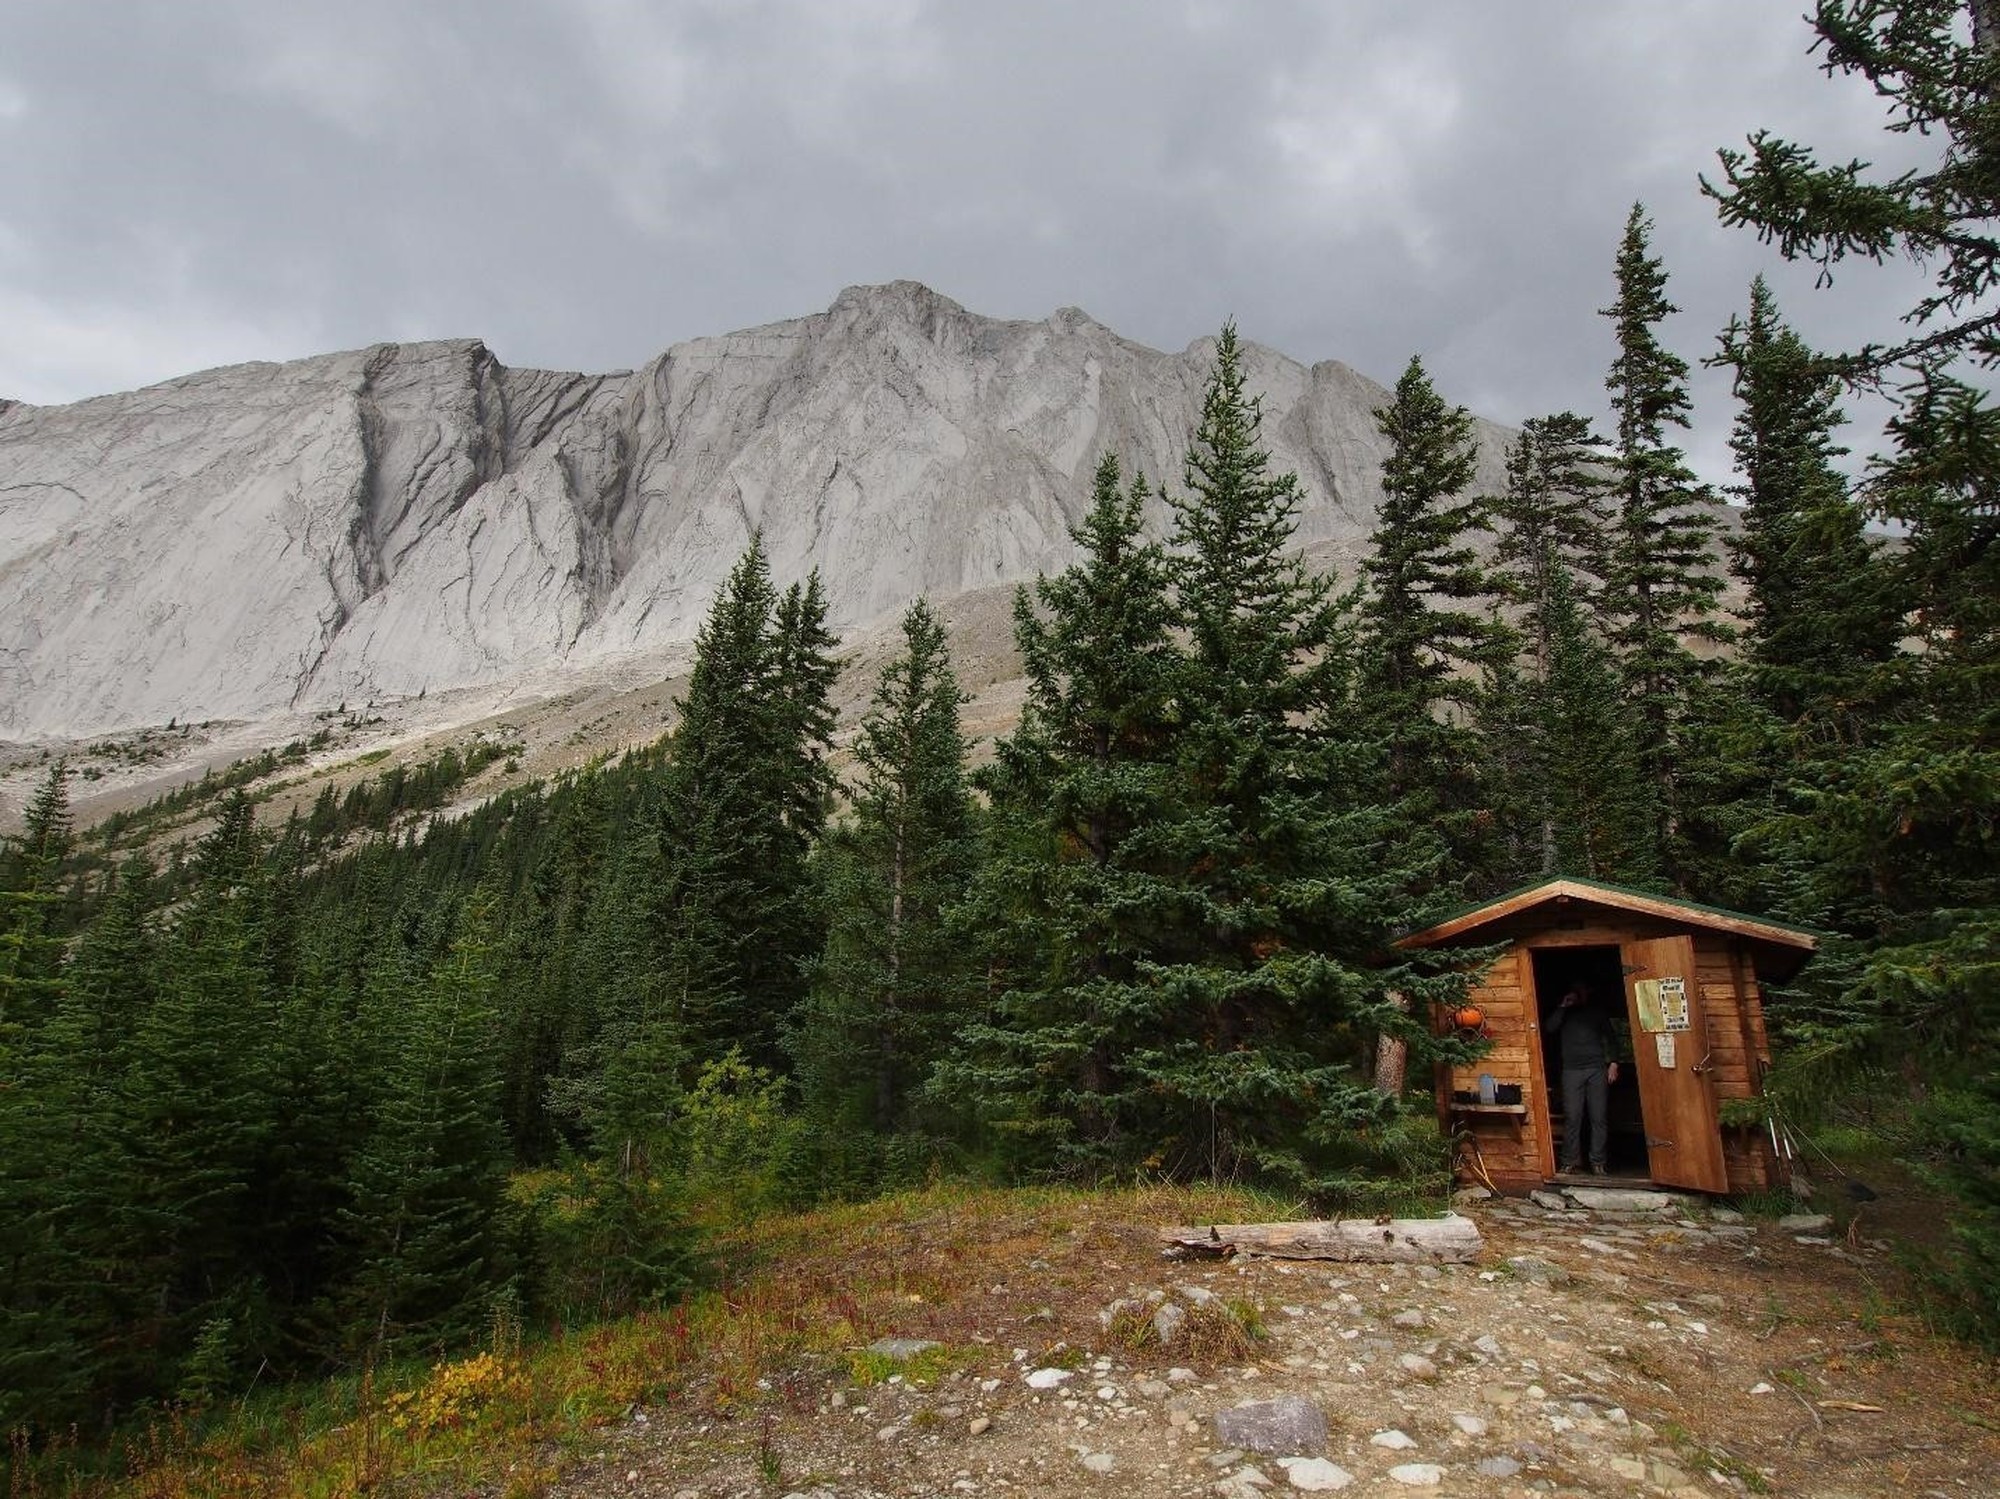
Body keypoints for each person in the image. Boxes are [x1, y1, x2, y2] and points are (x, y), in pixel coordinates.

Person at [1546, 981, 1620, 1175]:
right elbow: (1549, 1028)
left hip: (1596, 1069)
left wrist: (1613, 1063)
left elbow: (1612, 1038)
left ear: (1588, 992)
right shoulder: (1564, 1012)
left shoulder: (1597, 1012)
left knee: (1598, 1117)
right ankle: (1569, 1161)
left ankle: (1598, 1163)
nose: (1579, 995)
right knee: (1572, 1117)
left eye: (1582, 991)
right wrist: (1563, 1006)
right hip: (1571, 1070)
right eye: (1576, 991)